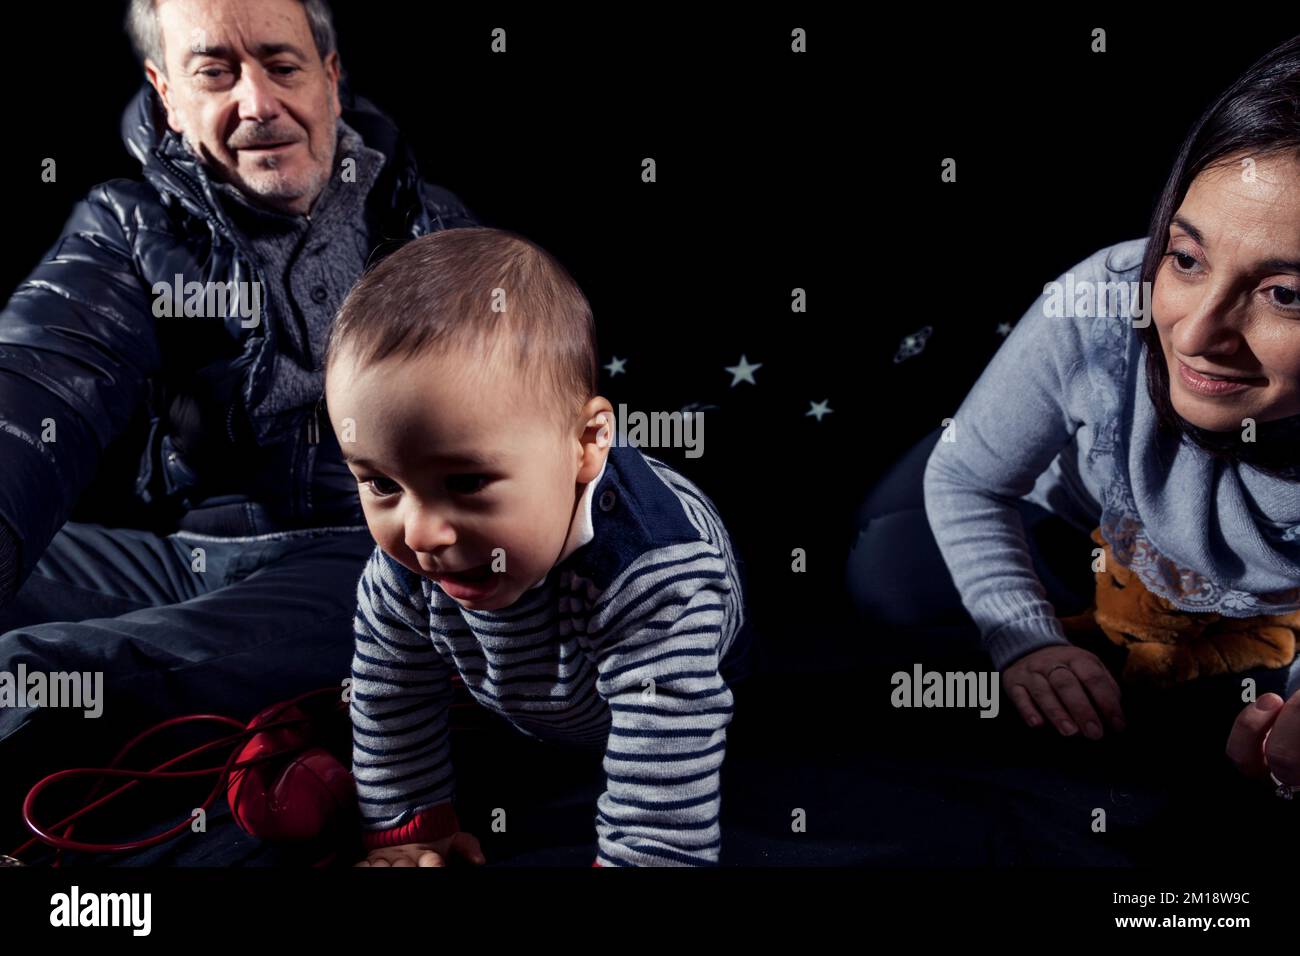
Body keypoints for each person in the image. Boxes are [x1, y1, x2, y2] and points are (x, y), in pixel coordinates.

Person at [0, 0, 475, 845]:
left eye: (283, 66)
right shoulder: (127, 227)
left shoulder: (427, 228)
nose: (256, 102)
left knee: (40, 669)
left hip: (364, 564)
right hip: (186, 565)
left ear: (331, 78)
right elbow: (35, 384)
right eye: (214, 72)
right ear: (166, 95)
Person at [849, 33, 1300, 799]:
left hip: (1255, 617)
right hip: (1070, 517)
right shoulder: (1101, 300)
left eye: (1286, 294)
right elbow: (968, 477)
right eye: (1186, 259)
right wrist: (1024, 639)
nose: (1194, 336)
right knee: (890, 568)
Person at [322, 228, 751, 867]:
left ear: (585, 443)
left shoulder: (656, 573)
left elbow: (664, 770)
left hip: (666, 702)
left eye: (466, 483)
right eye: (382, 482)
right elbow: (391, 694)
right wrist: (412, 831)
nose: (419, 533)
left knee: (663, 720)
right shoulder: (404, 568)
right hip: (539, 697)